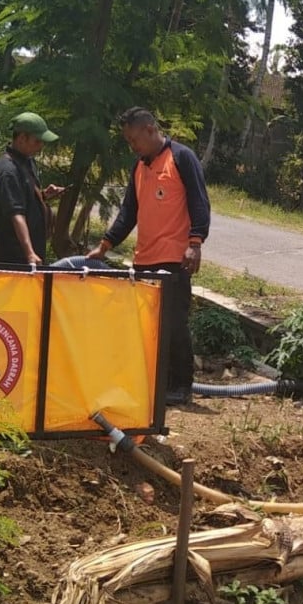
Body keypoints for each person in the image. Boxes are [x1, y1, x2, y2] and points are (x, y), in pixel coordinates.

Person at [79, 107, 210, 405]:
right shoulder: (139, 167)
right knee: (148, 326)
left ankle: (181, 386)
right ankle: (156, 383)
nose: (132, 146)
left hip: (174, 259)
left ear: (151, 130)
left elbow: (200, 202)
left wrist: (195, 243)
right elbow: (129, 213)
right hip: (144, 260)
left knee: (174, 324)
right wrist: (105, 245)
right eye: (128, 141)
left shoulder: (181, 158)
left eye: (134, 139)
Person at [0, 112, 65, 265]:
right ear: (22, 138)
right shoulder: (7, 170)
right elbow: (16, 213)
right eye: (37, 141)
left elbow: (23, 197)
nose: (41, 146)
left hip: (31, 255)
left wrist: (43, 195)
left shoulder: (28, 162)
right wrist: (29, 253)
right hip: (12, 257)